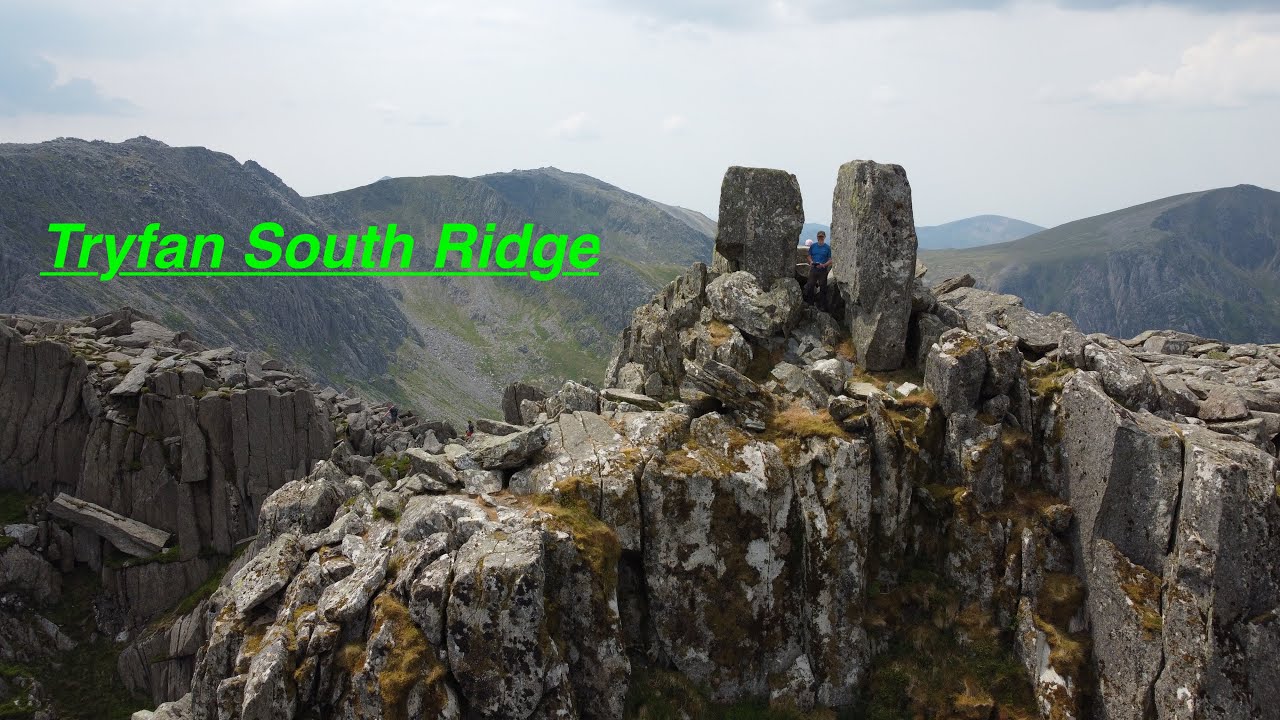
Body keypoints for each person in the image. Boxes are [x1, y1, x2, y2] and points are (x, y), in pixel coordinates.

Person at [805, 230, 833, 305]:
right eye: (819, 236)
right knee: (810, 286)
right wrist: (811, 262)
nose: (820, 238)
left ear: (824, 237)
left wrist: (824, 265)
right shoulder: (813, 246)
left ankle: (822, 305)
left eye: (822, 237)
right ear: (817, 237)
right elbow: (809, 256)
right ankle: (810, 303)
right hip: (813, 269)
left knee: (823, 288)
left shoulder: (827, 248)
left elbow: (830, 260)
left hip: (823, 270)